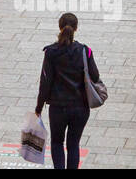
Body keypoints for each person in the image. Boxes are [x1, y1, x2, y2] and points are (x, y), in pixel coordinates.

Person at [35, 12, 102, 170]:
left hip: (58, 109)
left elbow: (45, 83)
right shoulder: (86, 51)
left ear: (60, 27)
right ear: (76, 28)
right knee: (73, 144)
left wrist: (38, 108)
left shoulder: (51, 52)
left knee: (57, 142)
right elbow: (95, 75)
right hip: (80, 107)